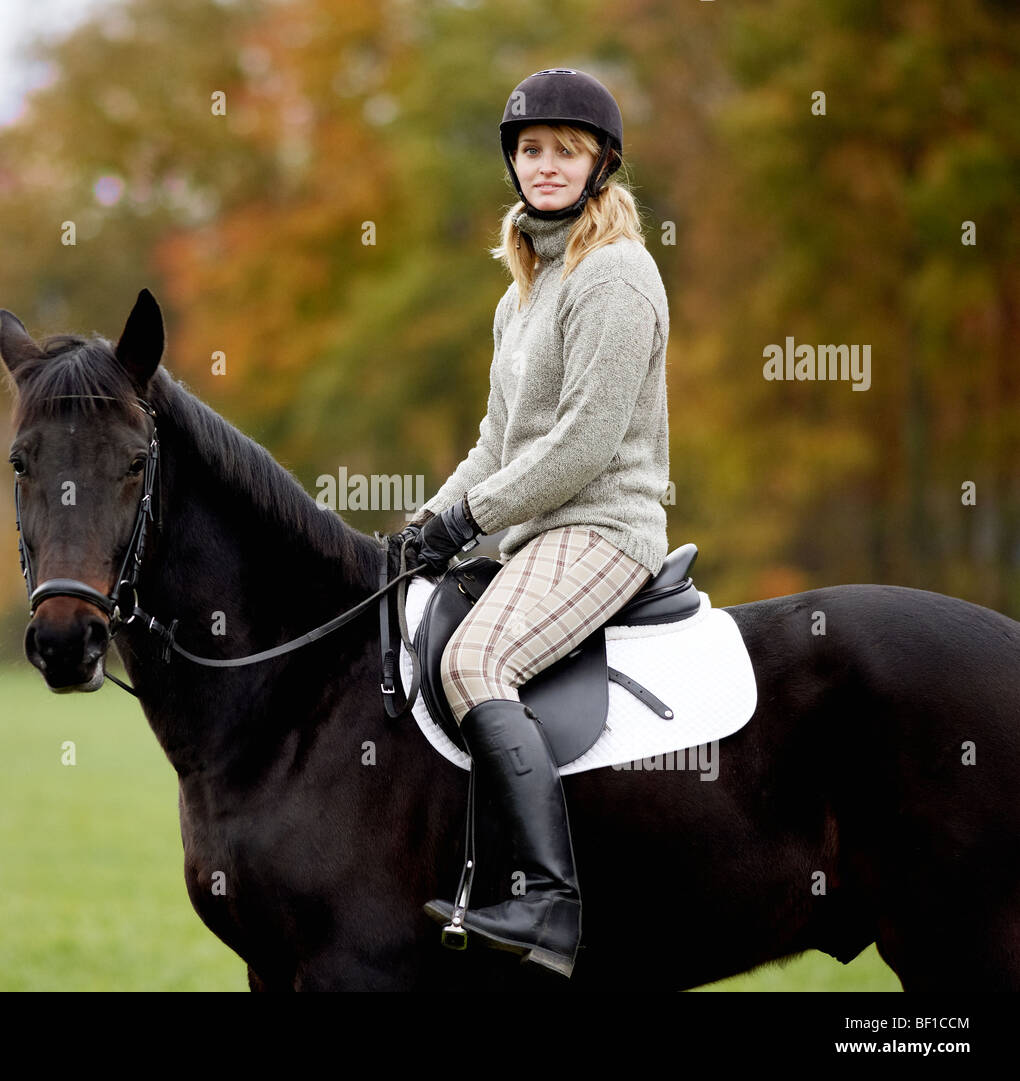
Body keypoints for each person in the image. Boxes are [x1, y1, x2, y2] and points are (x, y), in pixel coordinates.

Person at [398, 68, 670, 978]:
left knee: (476, 660)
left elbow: (583, 444)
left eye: (565, 149)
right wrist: (426, 523)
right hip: (536, 532)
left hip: (604, 527)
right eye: (529, 150)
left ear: (600, 164)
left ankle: (550, 903)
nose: (544, 165)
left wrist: (469, 518)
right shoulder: (522, 294)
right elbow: (496, 441)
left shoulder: (617, 277)